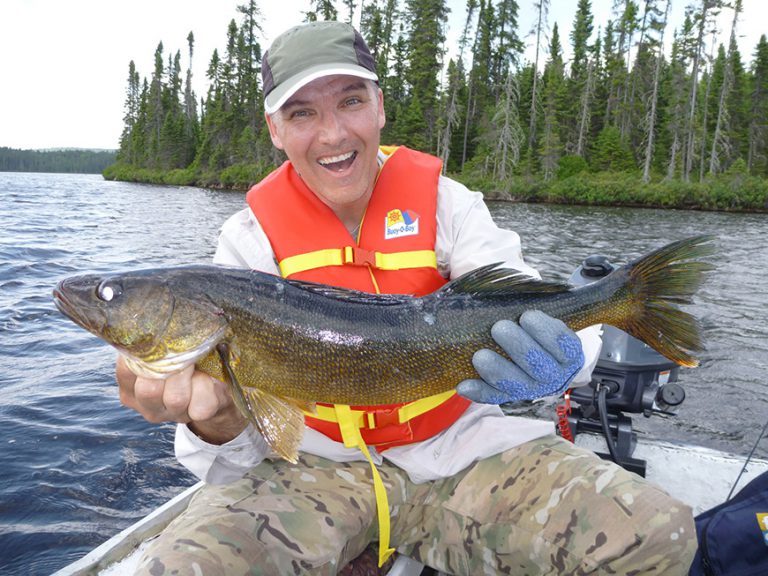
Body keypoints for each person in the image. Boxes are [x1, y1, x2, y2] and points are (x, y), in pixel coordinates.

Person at [116, 21, 696, 575]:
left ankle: (630, 299)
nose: (334, 133)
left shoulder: (451, 205)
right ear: (275, 129)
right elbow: (236, 458)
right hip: (313, 468)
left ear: (380, 107)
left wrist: (569, 358)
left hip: (462, 450)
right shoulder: (244, 245)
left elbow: (521, 289)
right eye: (302, 113)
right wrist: (216, 422)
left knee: (661, 536)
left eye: (350, 101)